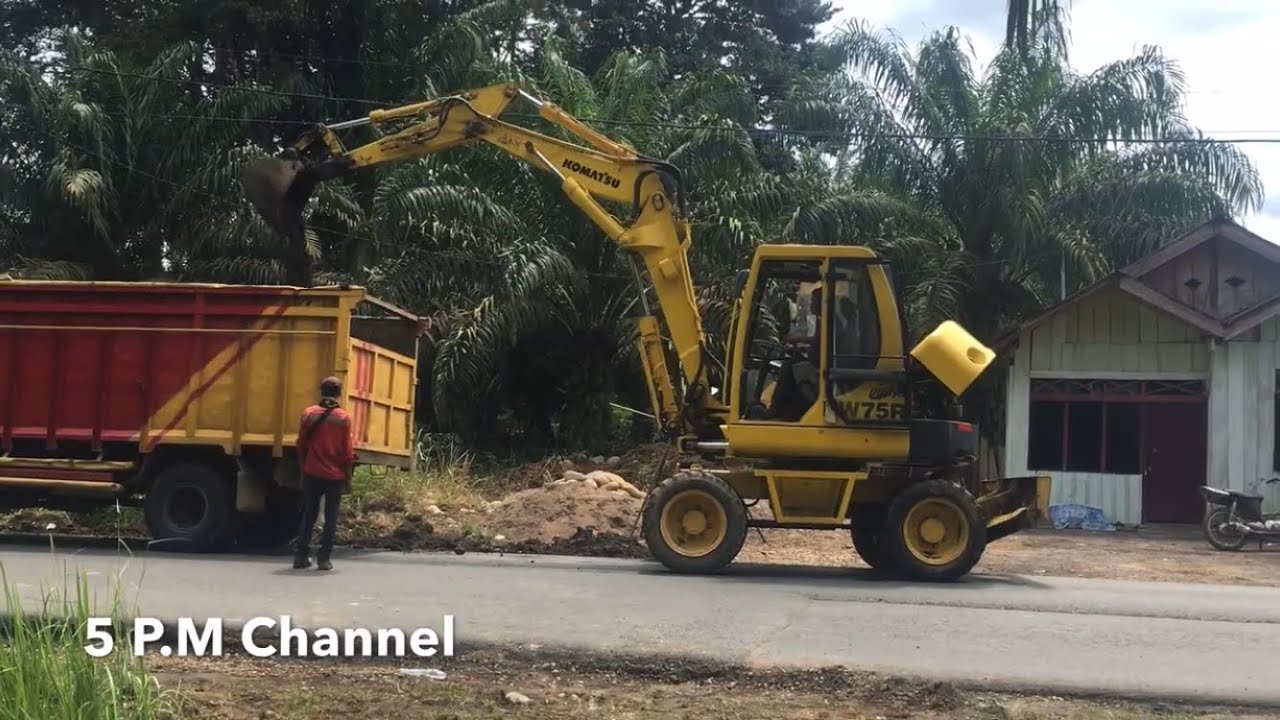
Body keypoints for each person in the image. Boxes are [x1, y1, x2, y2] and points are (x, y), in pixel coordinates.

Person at [292, 376, 356, 571]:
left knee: (309, 515)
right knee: (330, 518)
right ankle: (324, 559)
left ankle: (301, 557)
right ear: (339, 393)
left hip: (312, 472)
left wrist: (304, 468)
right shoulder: (343, 418)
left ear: (321, 391)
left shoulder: (308, 414)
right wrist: (348, 478)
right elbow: (347, 453)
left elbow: (301, 444)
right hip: (334, 477)